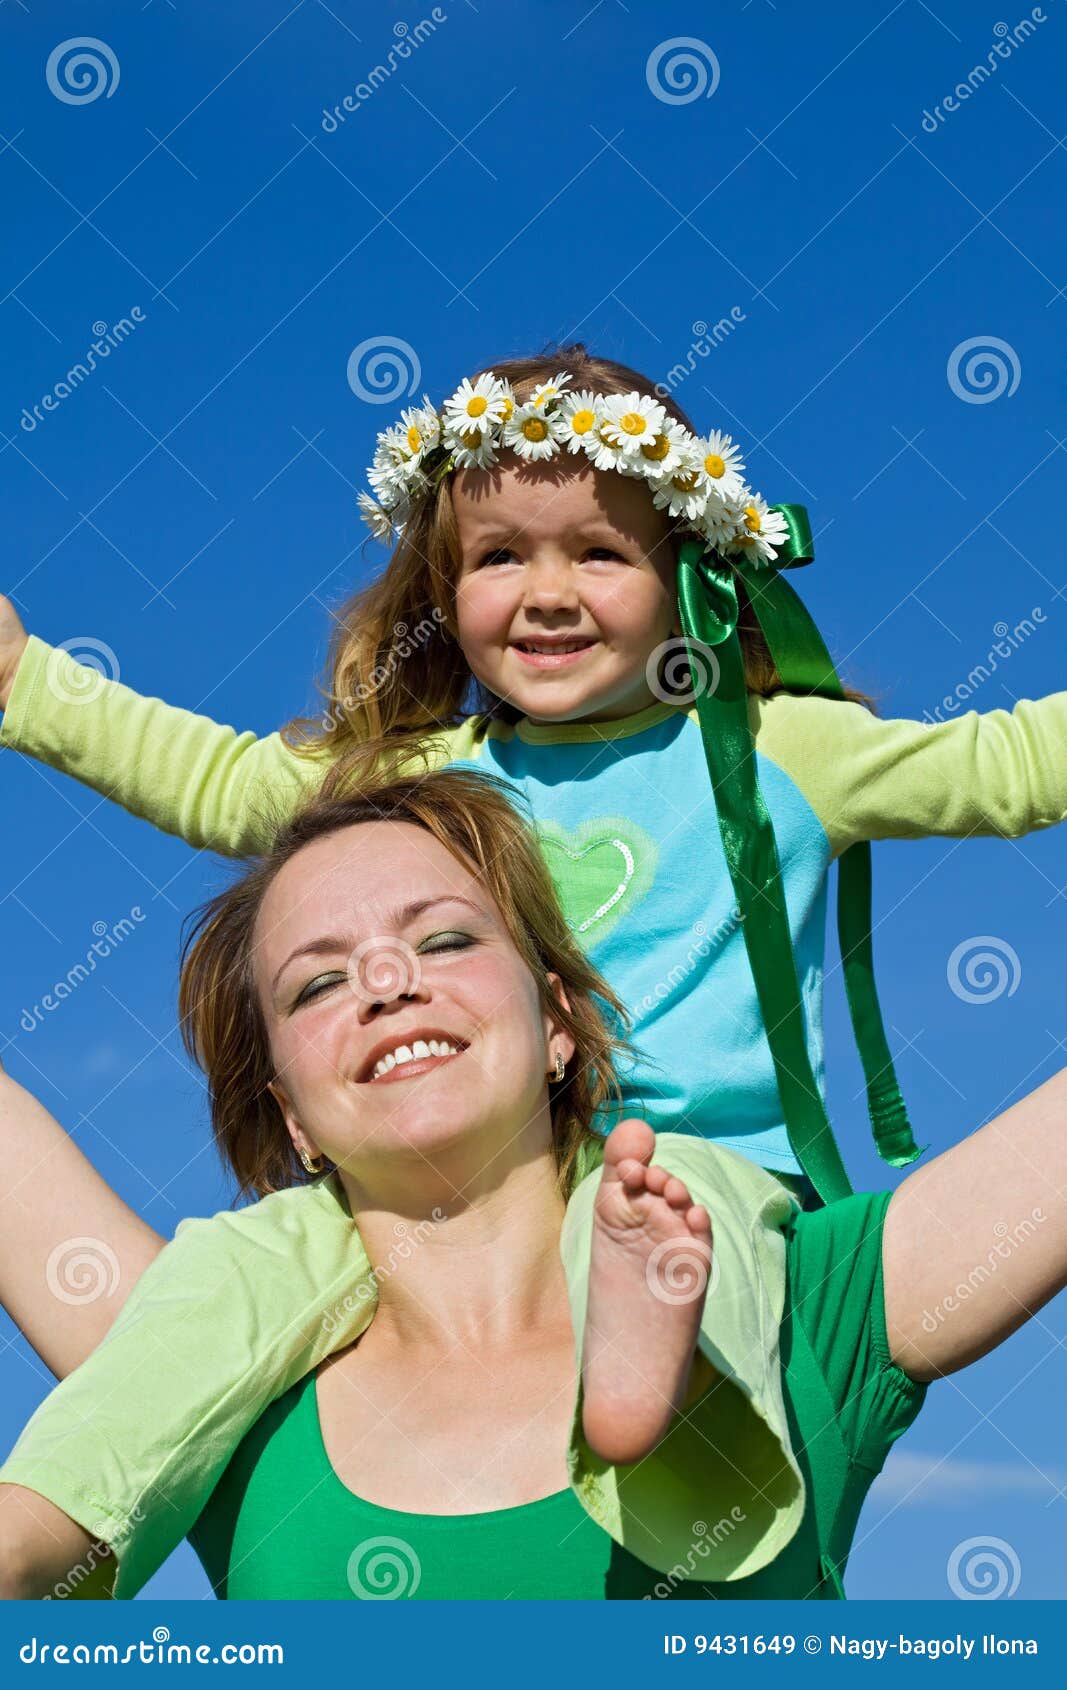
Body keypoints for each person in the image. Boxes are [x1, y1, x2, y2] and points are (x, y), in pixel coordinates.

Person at [2, 345, 1066, 1587]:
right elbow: (227, 782)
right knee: (218, 1285)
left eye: (599, 553)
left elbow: (999, 763)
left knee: (675, 1237)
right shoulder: (407, 786)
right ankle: (41, 1533)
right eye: (500, 555)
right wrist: (28, 684)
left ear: (689, 583)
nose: (547, 592)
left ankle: (644, 1405)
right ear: (440, 588)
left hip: (689, 1166)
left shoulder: (780, 752)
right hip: (419, 1214)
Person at [3, 767, 1064, 1601]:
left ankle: (666, 1389)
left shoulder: (786, 1300)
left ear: (556, 1023)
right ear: (291, 1112)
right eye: (319, 981)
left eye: (446, 938)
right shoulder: (211, 1371)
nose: (385, 982)